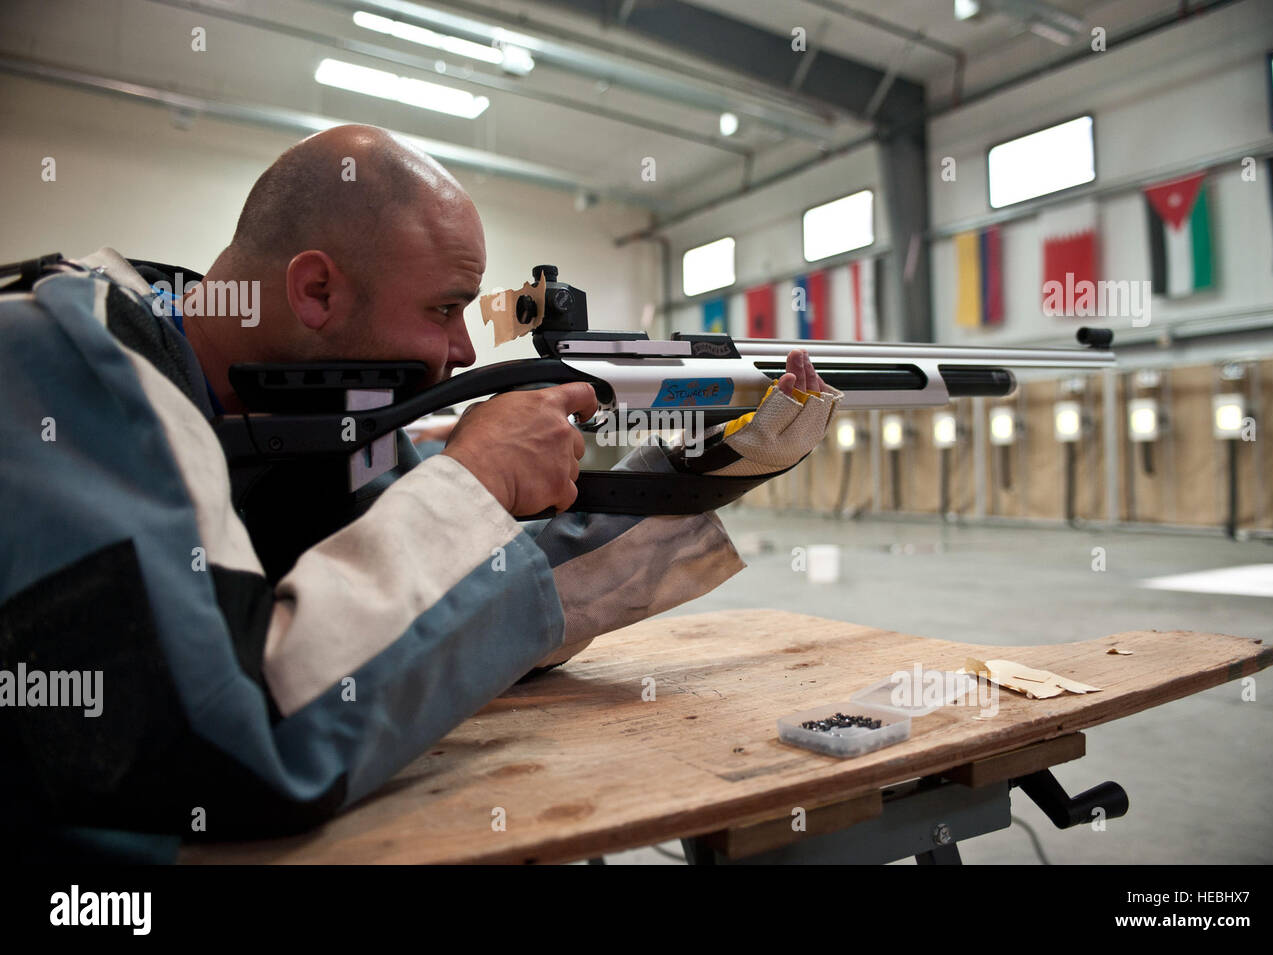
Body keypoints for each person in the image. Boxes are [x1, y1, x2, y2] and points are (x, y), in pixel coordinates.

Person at [0, 125, 839, 859]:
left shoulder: (325, 406)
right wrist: (473, 477)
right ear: (316, 290)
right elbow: (237, 738)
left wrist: (717, 460)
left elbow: (476, 595)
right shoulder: (65, 359)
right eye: (444, 308)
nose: (464, 351)